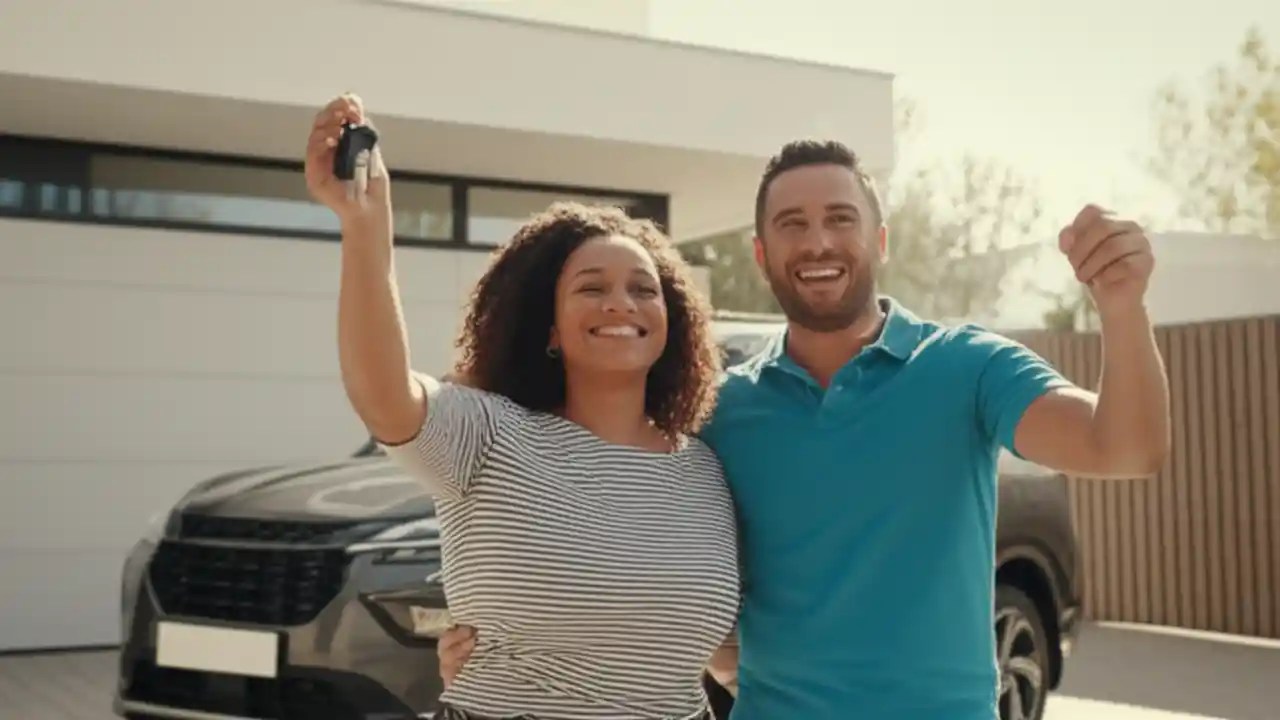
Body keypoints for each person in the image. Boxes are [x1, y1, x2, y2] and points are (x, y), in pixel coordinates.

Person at [438, 139, 1172, 719]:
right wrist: (509, 643)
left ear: (880, 240)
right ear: (762, 254)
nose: (817, 242)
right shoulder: (720, 412)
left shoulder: (969, 367)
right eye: (792, 224)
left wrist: (1122, 306)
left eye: (840, 219)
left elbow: (1126, 448)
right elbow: (627, 544)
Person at [305, 93, 741, 720]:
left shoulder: (706, 469)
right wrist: (365, 226)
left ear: (671, 322)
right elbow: (383, 391)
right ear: (550, 328)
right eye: (592, 287)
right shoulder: (490, 435)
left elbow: (721, 652)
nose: (621, 303)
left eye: (643, 289)